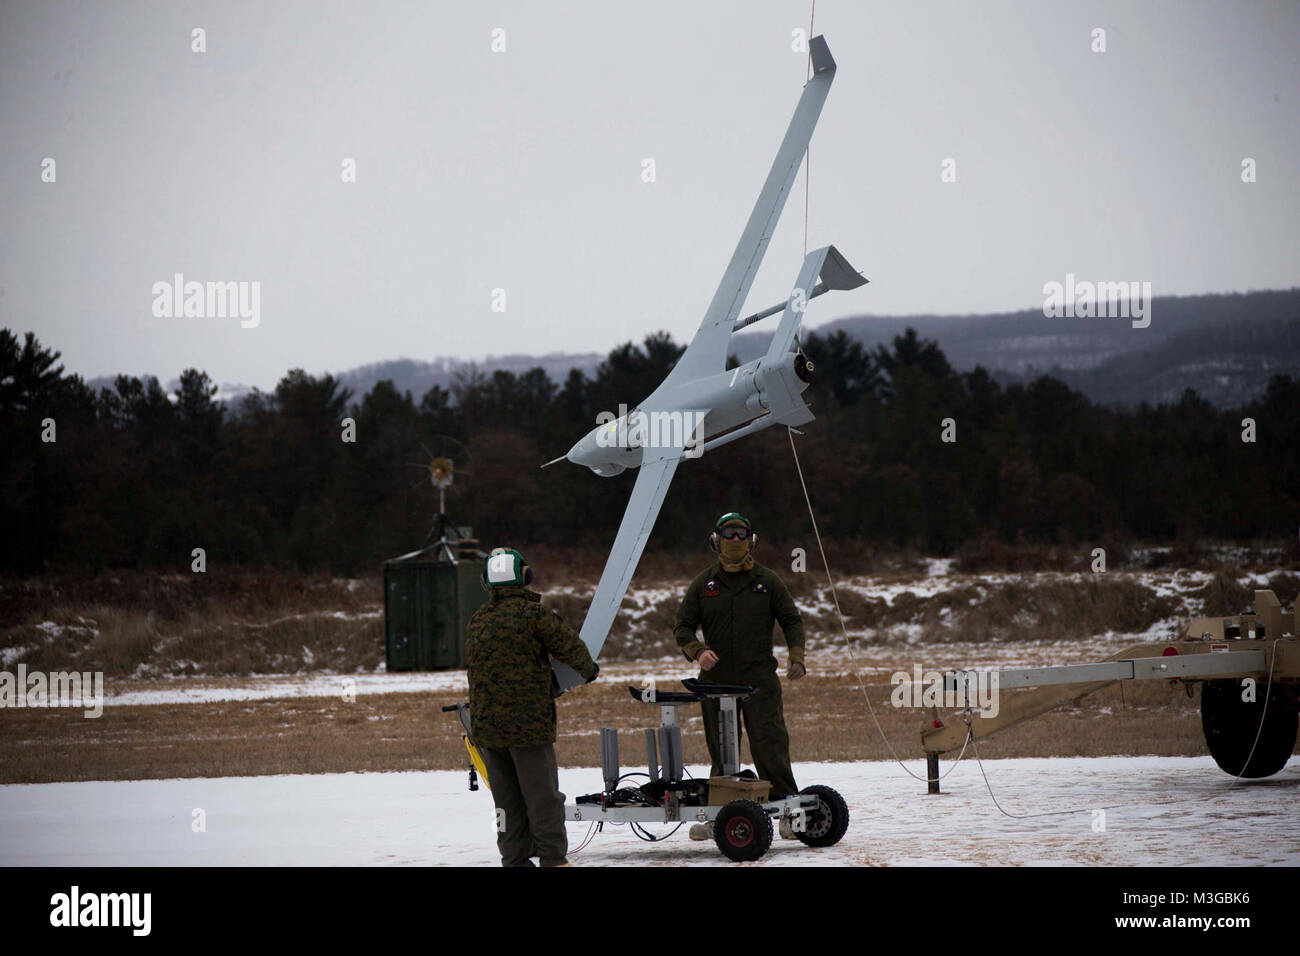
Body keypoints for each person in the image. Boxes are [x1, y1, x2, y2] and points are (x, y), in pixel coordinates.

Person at [673, 513, 805, 839]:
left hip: (759, 681)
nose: (735, 540)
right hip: (716, 684)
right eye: (728, 534)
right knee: (722, 749)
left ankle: (788, 811)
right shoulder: (704, 584)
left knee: (770, 745)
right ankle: (721, 816)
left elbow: (792, 620)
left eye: (741, 534)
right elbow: (682, 627)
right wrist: (697, 651)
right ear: (716, 540)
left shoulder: (768, 580)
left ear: (751, 540)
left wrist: (797, 657)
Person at [465, 547, 598, 867]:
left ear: (487, 582)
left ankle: (514, 859)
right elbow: (570, 647)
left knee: (506, 801)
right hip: (528, 728)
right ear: (525, 577)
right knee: (543, 799)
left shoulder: (478, 621)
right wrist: (589, 670)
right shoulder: (535, 615)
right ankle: (553, 859)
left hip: (487, 730)